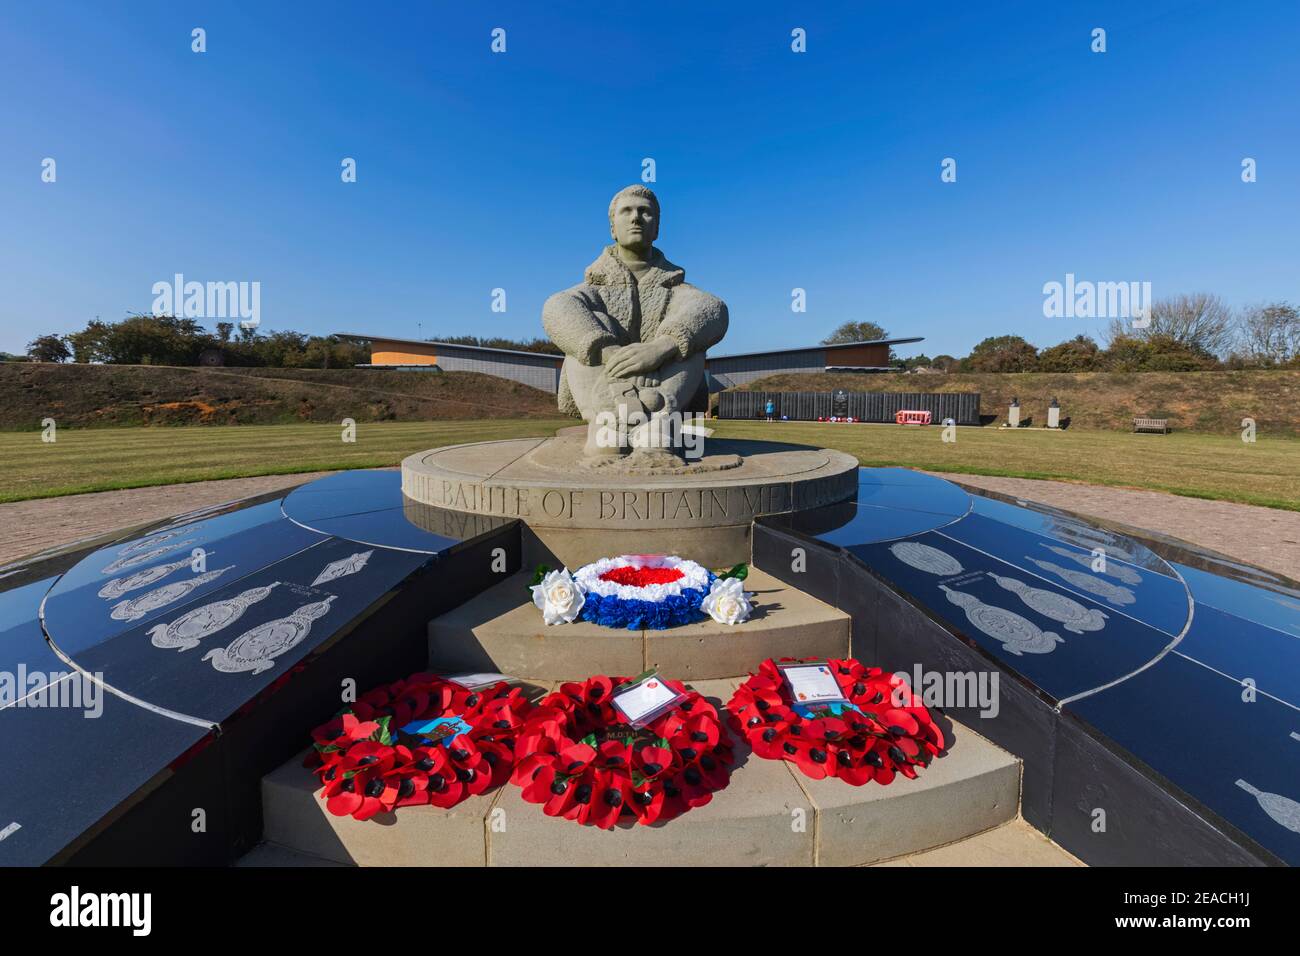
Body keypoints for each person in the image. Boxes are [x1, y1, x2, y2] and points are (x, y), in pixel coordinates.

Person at [542, 185, 729, 459]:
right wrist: (611, 353)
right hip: (605, 384)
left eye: (645, 212)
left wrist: (661, 348)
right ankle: (607, 421)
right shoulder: (594, 285)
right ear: (612, 228)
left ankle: (658, 421)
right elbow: (556, 307)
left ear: (657, 229)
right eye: (626, 211)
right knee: (586, 328)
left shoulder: (675, 287)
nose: (636, 218)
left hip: (662, 389)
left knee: (688, 334)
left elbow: (713, 308)